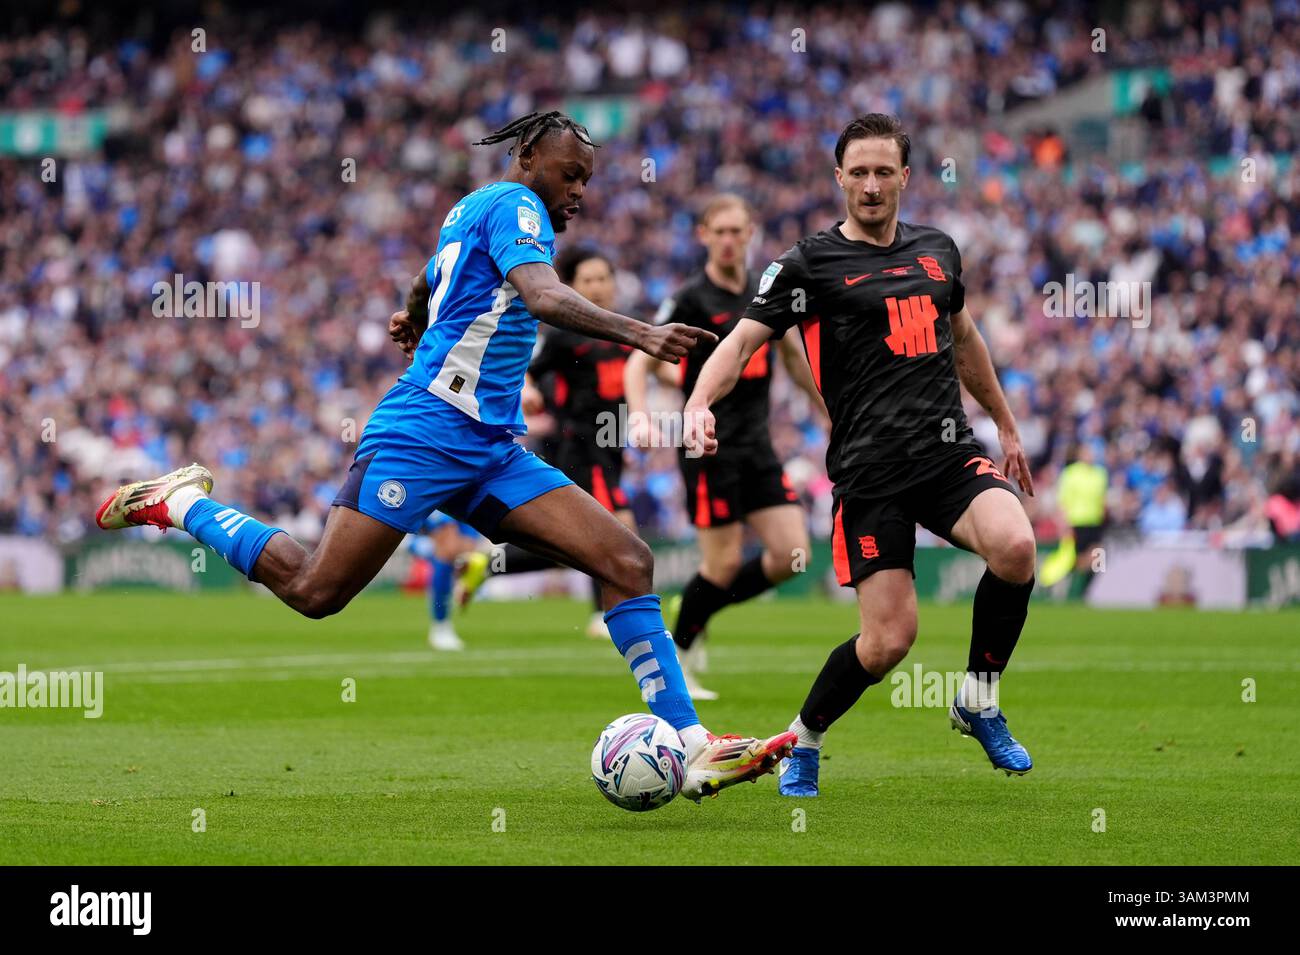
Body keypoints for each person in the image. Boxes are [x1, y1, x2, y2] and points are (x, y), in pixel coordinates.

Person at [95, 110, 795, 801]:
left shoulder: (471, 208)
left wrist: (413, 316)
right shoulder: (520, 206)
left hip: (489, 446)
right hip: (424, 430)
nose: (578, 190)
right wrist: (638, 332)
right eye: (569, 173)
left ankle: (692, 743)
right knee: (316, 589)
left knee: (627, 559)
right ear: (526, 156)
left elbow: (429, 281)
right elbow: (543, 295)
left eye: (587, 179)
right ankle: (182, 500)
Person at [683, 114, 1038, 796]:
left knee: (1016, 546)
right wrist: (699, 402)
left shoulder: (939, 251)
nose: (871, 186)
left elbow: (965, 341)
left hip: (946, 456)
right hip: (870, 475)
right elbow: (739, 345)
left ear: (905, 177)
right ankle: (805, 739)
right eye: (859, 172)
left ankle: (979, 699)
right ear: (838, 177)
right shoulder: (806, 264)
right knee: (886, 643)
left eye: (884, 172)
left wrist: (1006, 423)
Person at [624, 194, 826, 700]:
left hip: (757, 447)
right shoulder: (691, 299)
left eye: (739, 230)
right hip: (707, 448)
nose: (731, 240)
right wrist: (642, 414)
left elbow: (797, 363)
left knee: (793, 555)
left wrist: (828, 415)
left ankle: (694, 609)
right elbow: (639, 361)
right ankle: (683, 648)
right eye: (721, 232)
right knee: (722, 566)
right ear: (704, 236)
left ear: (751, 231)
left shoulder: (769, 291)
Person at [456, 246, 638, 640]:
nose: (598, 287)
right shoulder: (563, 336)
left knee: (573, 542)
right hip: (578, 446)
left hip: (612, 446)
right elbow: (527, 371)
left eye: (603, 279)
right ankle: (604, 616)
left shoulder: (623, 329)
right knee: (615, 530)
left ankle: (488, 565)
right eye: (588, 280)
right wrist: (531, 390)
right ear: (573, 286)